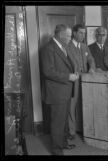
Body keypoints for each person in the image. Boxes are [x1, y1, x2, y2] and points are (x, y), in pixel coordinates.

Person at [40, 24, 79, 155]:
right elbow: (48, 71)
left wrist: (73, 73)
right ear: (60, 35)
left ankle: (62, 143)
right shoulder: (48, 48)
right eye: (68, 35)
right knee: (57, 123)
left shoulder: (62, 47)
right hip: (57, 93)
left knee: (63, 122)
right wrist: (69, 76)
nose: (70, 38)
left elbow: (65, 66)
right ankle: (57, 150)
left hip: (65, 91)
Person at [67, 24, 96, 139]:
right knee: (72, 106)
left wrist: (92, 68)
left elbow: (91, 59)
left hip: (86, 81)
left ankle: (82, 128)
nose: (83, 35)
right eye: (80, 33)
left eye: (84, 33)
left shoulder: (84, 46)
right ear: (74, 33)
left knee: (84, 104)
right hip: (73, 81)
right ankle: (72, 131)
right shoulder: (67, 46)